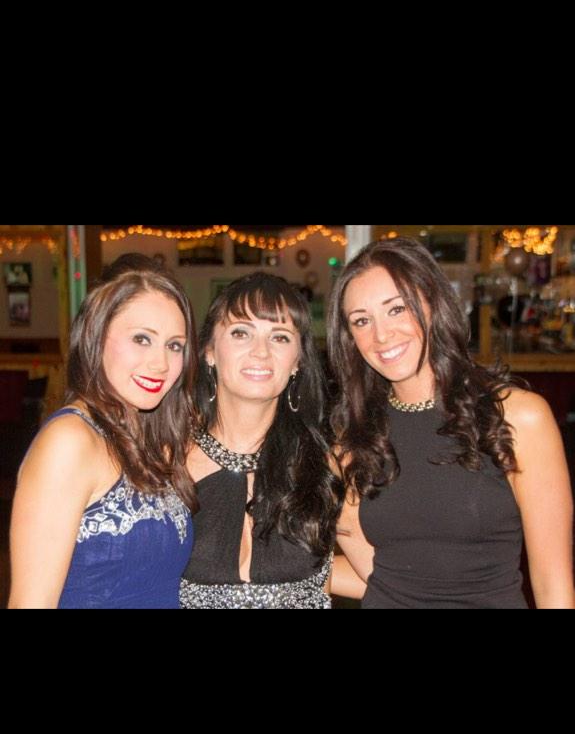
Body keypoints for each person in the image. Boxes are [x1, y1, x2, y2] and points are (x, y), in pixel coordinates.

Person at [327, 237, 574, 609]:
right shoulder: (354, 442)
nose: (381, 335)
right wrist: (257, 565)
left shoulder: (518, 417)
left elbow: (553, 585)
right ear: (349, 338)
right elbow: (380, 576)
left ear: (433, 304)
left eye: (397, 309)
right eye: (362, 321)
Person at [9, 256, 198, 609]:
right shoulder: (70, 441)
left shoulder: (149, 438)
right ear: (96, 336)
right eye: (142, 338)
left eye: (174, 345)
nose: (160, 363)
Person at [180, 272, 343, 609]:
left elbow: (382, 569)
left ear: (297, 361)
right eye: (241, 333)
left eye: (280, 337)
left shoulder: (322, 465)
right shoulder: (167, 463)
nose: (261, 352)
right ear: (209, 351)